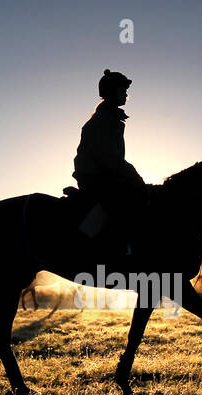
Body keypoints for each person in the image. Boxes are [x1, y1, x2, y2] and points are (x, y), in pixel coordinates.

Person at [72, 69, 147, 256]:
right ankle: (96, 243)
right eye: (123, 91)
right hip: (95, 176)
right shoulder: (104, 120)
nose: (126, 95)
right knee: (120, 199)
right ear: (112, 93)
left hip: (103, 173)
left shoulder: (110, 118)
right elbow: (109, 159)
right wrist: (133, 175)